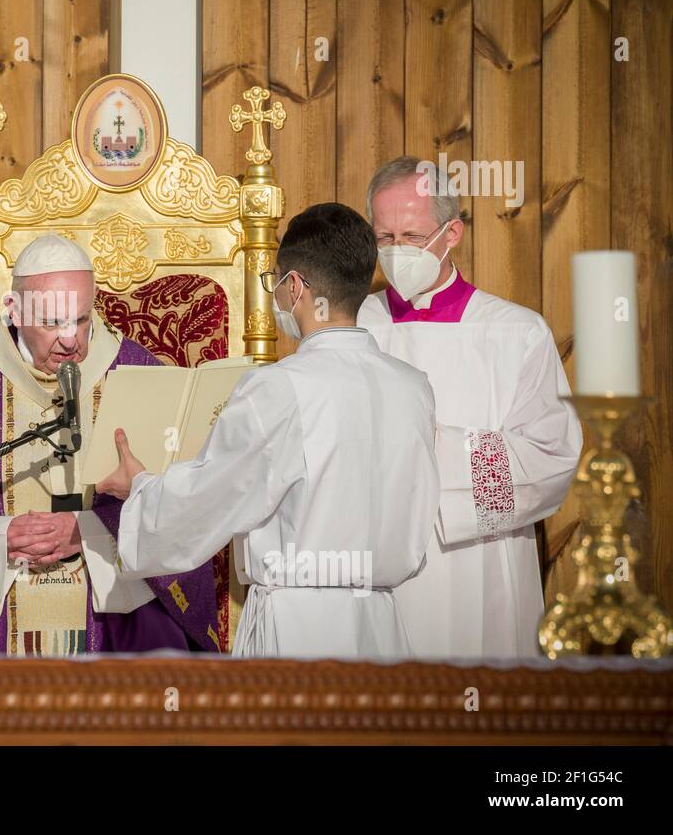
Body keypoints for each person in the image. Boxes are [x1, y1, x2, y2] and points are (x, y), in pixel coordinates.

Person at [97, 203, 439, 659]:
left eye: (275, 283)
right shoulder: (413, 387)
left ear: (294, 286)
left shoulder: (278, 387)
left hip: (299, 628)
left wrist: (139, 487)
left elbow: (209, 498)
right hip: (381, 625)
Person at [0, 235, 225, 655]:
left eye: (81, 320)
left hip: (114, 618)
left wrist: (91, 531)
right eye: (51, 323)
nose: (71, 340)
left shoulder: (135, 370)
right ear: (15, 311)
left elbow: (181, 505)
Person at [358, 156, 582, 657]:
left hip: (479, 563)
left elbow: (551, 459)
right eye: (384, 238)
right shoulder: (355, 330)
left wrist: (433, 447)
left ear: (452, 232)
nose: (396, 252)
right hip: (374, 564)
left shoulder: (515, 333)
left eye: (413, 237)